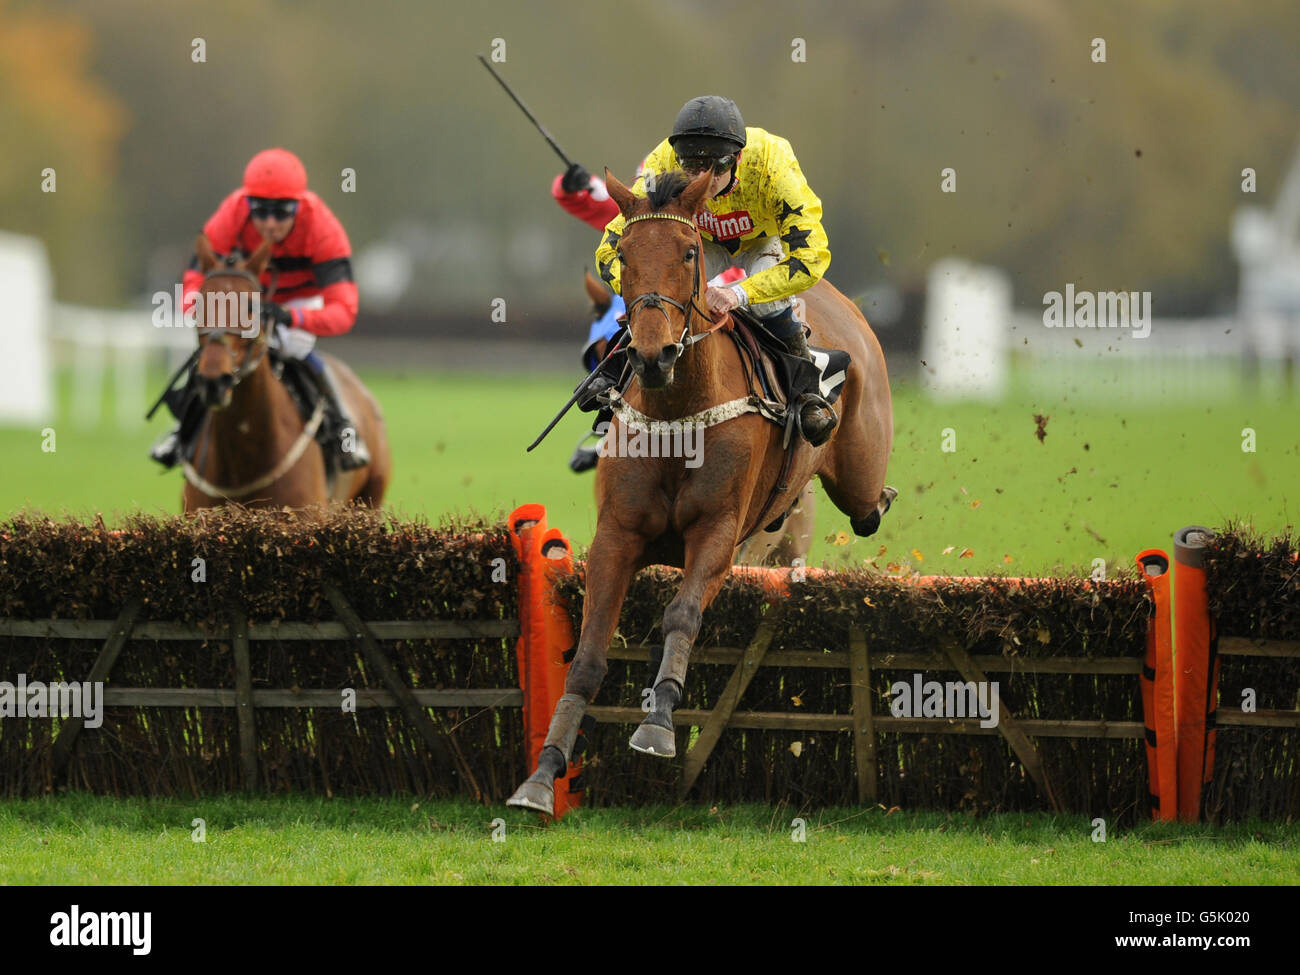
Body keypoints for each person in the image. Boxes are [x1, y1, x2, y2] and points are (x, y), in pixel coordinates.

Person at [593, 95, 838, 445]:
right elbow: (608, 250)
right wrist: (639, 292)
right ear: (677, 159)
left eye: (716, 167)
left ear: (737, 157)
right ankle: (613, 375)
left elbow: (811, 256)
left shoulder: (773, 163)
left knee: (766, 304)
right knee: (659, 286)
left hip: (762, 240)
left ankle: (806, 391)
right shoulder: (662, 162)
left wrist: (738, 293)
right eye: (690, 166)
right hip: (698, 240)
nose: (702, 179)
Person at [150, 148, 370, 470]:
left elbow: (344, 311)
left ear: (299, 204)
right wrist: (204, 310)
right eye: (261, 210)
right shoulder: (231, 212)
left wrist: (292, 316)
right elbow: (196, 277)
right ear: (247, 203)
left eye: (282, 212)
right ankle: (182, 431)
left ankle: (341, 427)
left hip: (295, 302)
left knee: (294, 346)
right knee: (214, 353)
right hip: (242, 299)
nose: (269, 223)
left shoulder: (323, 230)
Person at [552, 159, 743, 470]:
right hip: (652, 289)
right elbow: (607, 204)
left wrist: (729, 290)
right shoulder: (645, 204)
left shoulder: (723, 203)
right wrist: (572, 188)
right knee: (609, 325)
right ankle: (607, 420)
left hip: (717, 284)